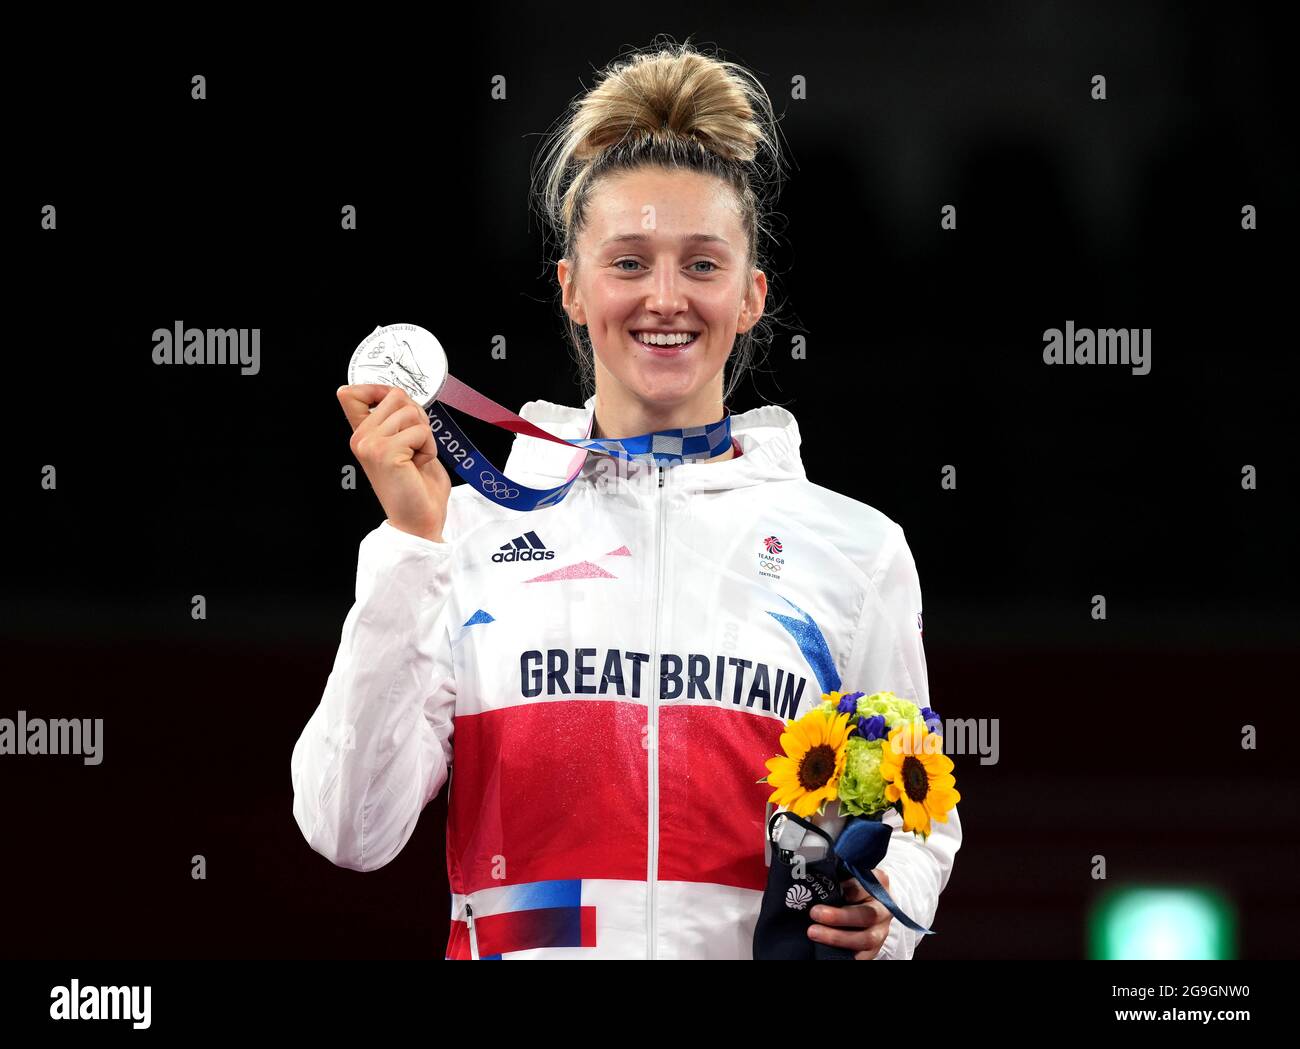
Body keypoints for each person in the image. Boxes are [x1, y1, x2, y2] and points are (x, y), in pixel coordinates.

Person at [291, 39, 960, 960]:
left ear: (752, 294)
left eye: (701, 264)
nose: (664, 298)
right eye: (629, 261)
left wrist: (889, 907)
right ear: (571, 287)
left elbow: (919, 815)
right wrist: (410, 543)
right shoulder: (469, 530)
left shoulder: (853, 549)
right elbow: (347, 828)